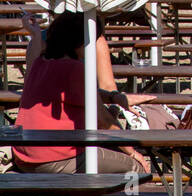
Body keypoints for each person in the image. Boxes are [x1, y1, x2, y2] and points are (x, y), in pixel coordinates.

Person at [12, 12, 149, 176]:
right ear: (80, 42)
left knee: (104, 164)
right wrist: (133, 152)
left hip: (23, 154)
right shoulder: (75, 69)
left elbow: (73, 94)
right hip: (53, 157)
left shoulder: (40, 64)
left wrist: (112, 97)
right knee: (135, 169)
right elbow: (103, 120)